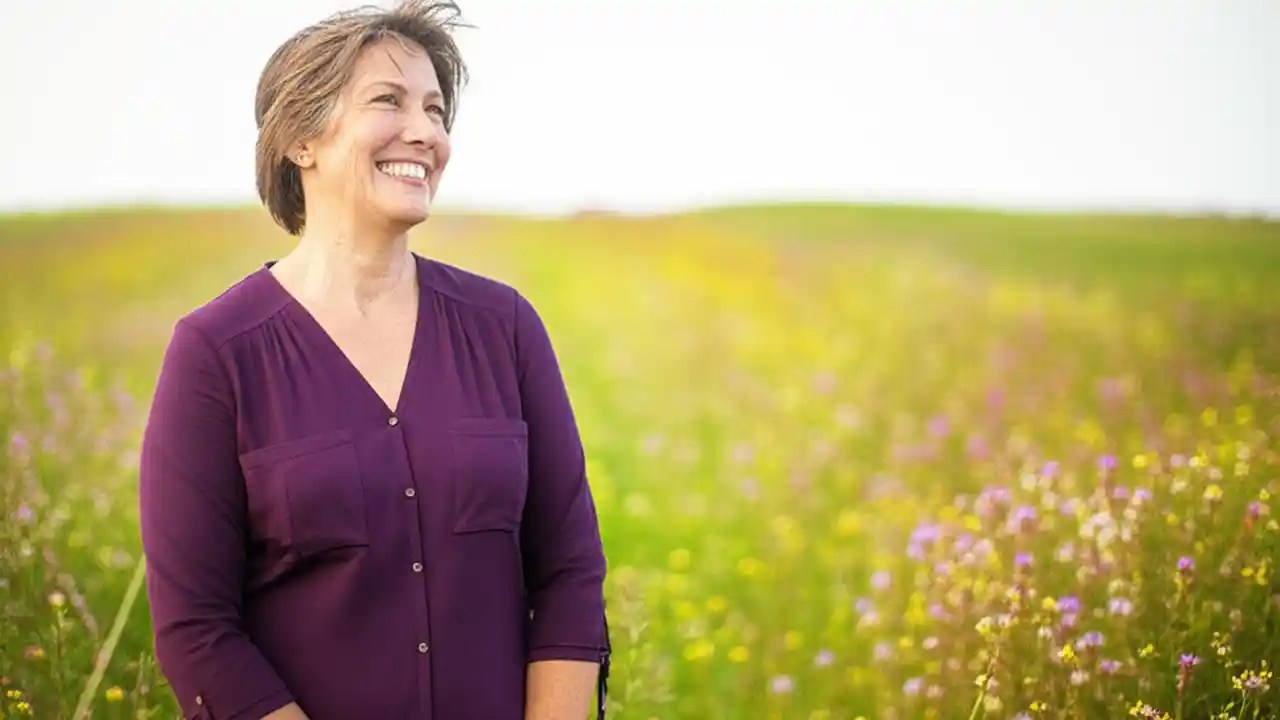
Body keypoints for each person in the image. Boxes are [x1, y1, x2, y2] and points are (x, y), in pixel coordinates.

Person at [137, 2, 611, 718]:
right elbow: (196, 629)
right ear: (301, 139)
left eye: (435, 109)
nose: (426, 133)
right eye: (388, 101)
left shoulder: (505, 328)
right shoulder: (216, 353)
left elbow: (569, 573)